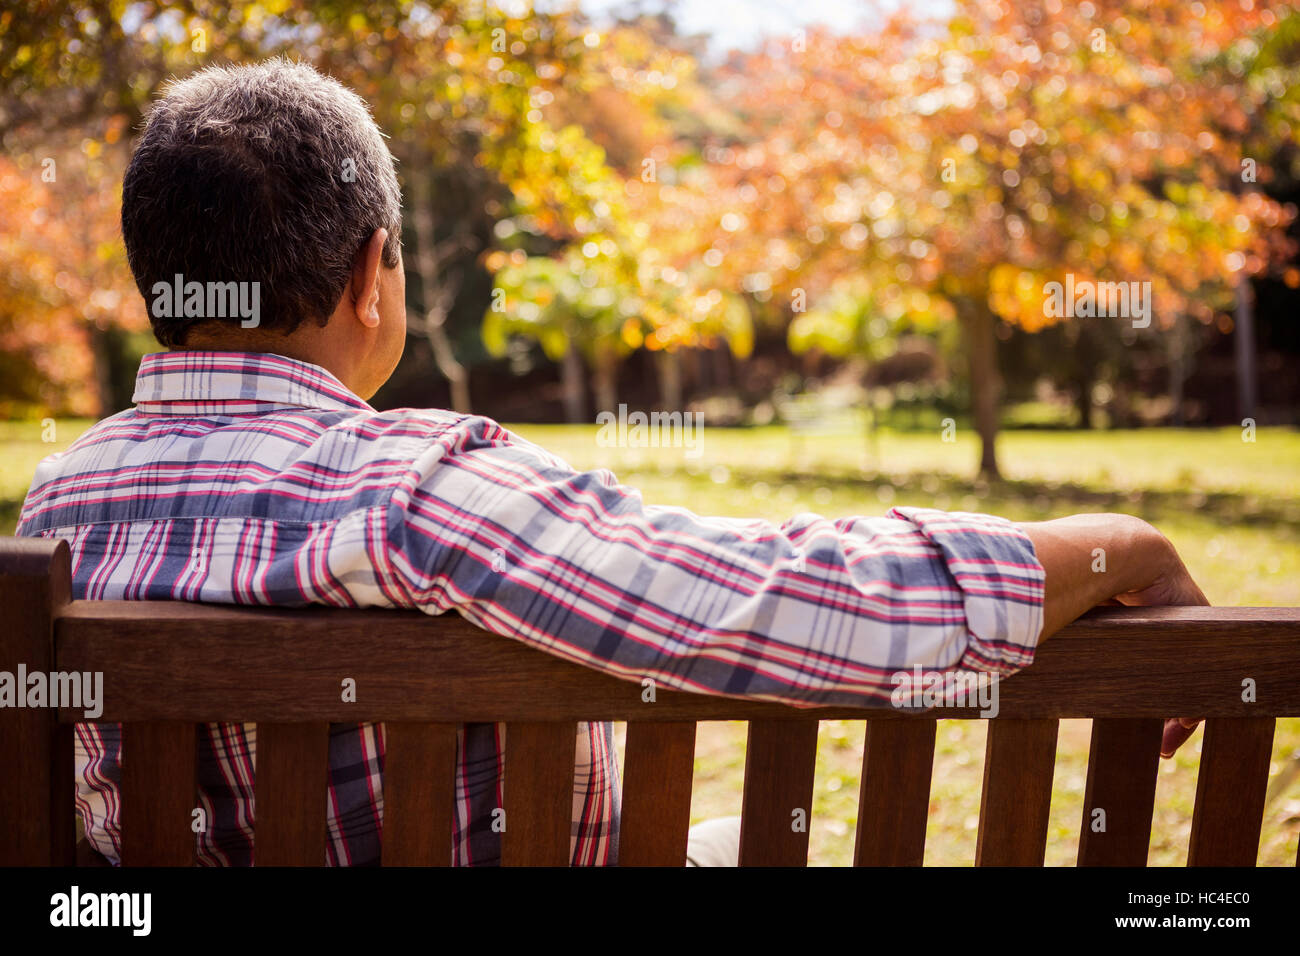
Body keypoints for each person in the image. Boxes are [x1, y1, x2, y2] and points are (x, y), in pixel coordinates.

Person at [17, 58, 1207, 867]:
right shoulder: (410, 491)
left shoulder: (56, 508)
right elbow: (777, 606)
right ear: (372, 270)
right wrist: (1113, 540)